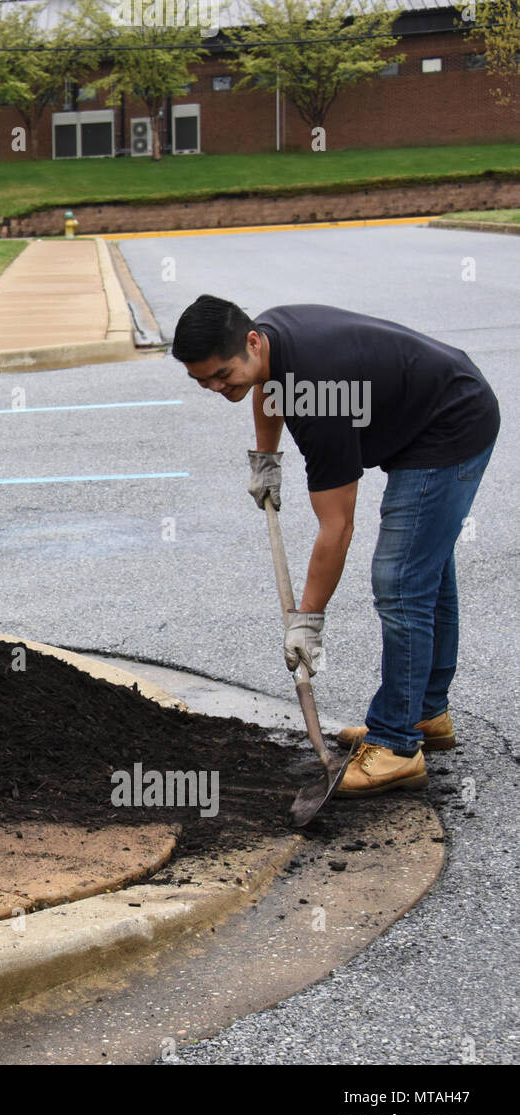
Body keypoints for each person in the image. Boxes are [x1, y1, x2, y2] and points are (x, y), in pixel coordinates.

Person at [171, 295, 499, 799]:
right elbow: (265, 387)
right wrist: (265, 456)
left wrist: (308, 621)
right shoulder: (269, 341)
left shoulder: (320, 395)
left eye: (221, 375)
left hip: (450, 424)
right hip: (428, 408)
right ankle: (426, 713)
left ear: (251, 342)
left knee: (402, 581)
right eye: (203, 382)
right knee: (427, 573)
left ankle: (396, 746)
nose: (216, 389)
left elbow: (337, 525)